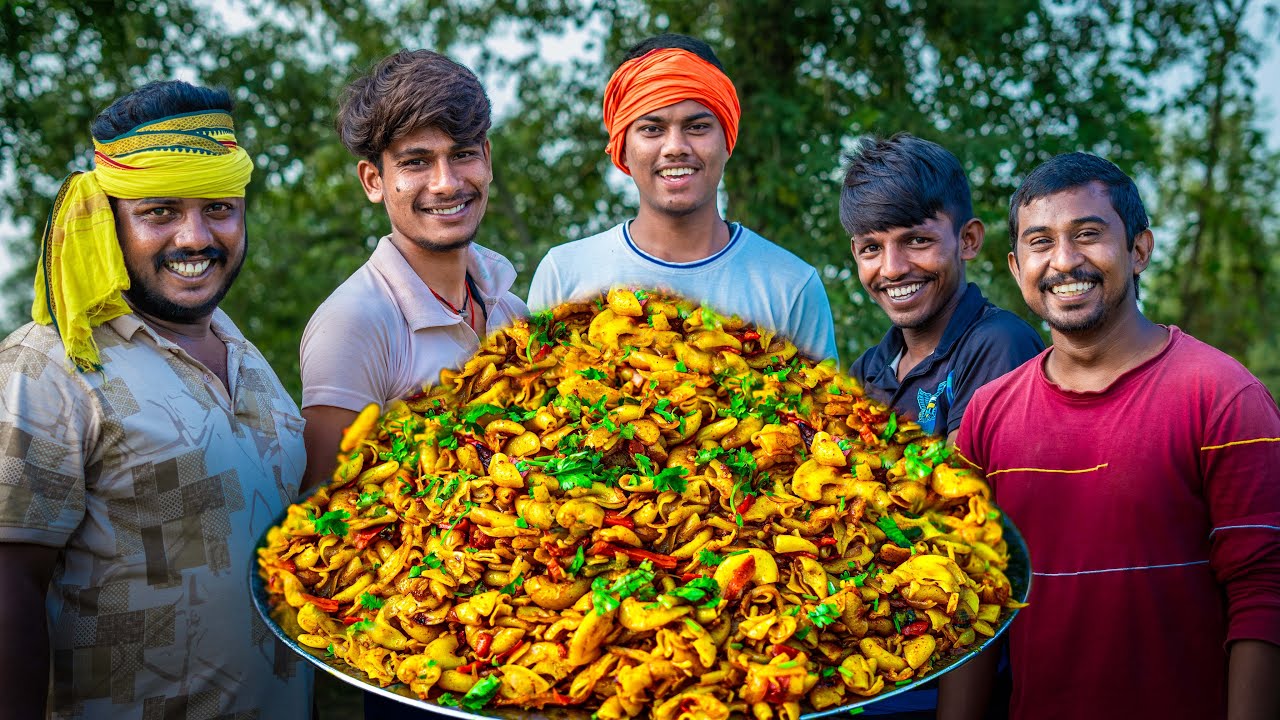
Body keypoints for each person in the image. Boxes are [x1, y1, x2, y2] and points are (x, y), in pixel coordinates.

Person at [0, 81, 310, 719]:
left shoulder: (251, 361)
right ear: (109, 220)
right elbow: (9, 587)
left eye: (219, 208)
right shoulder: (50, 365)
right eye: (159, 211)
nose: (195, 237)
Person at [946, 152, 1280, 720]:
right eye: (1041, 242)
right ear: (1016, 266)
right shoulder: (987, 416)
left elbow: (1264, 593)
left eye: (1088, 234)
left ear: (1139, 250)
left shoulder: (1224, 397)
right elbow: (973, 600)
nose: (1064, 260)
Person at [527, 33, 839, 362]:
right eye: (652, 129)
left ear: (727, 139)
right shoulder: (564, 275)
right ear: (623, 147)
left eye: (697, 127)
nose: (675, 147)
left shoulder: (791, 287)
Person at [300, 50, 528, 494]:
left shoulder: (512, 311)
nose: (446, 183)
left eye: (462, 154)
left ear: (487, 159)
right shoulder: (353, 324)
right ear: (373, 180)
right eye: (416, 162)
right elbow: (324, 513)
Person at [843, 134, 1043, 443]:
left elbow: (962, 473)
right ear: (855, 253)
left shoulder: (999, 343)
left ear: (968, 240)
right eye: (872, 248)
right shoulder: (868, 369)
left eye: (917, 240)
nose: (892, 269)